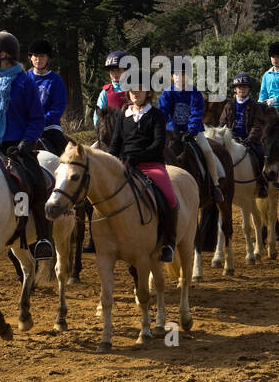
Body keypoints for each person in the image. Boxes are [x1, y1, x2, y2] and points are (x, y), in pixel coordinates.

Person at [0, 30, 55, 261]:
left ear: (4, 54)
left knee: (38, 182)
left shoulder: (25, 84)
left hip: (17, 148)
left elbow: (37, 118)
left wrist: (26, 143)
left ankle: (44, 238)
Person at [107, 86, 178, 263]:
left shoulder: (156, 115)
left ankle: (168, 243)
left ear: (149, 93)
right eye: (132, 90)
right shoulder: (123, 115)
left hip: (151, 165)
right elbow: (115, 144)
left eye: (140, 89)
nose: (135, 93)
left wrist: (136, 157)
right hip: (125, 165)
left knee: (169, 198)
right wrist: (109, 161)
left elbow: (158, 144)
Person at [158, 62, 224, 204]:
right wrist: (170, 130)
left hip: (193, 132)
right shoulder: (167, 93)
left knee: (207, 151)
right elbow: (164, 114)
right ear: (172, 77)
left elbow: (196, 113)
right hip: (173, 132)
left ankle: (215, 184)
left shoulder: (194, 92)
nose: (180, 78)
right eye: (177, 75)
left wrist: (191, 130)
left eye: (183, 75)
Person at [218, 72, 268, 197]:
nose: (242, 89)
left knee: (261, 155)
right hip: (231, 140)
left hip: (249, 141)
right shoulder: (228, 105)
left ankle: (262, 185)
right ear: (235, 89)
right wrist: (227, 138)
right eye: (239, 87)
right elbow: (222, 123)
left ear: (249, 89)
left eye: (245, 87)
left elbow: (258, 125)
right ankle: (217, 184)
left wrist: (250, 139)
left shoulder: (255, 106)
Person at [27, 38, 68, 157]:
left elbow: (58, 107)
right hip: (27, 126)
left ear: (48, 58)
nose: (38, 59)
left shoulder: (56, 80)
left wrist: (41, 120)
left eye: (42, 56)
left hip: (49, 127)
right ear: (30, 57)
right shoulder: (25, 78)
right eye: (35, 56)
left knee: (66, 156)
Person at [93, 50, 129, 125]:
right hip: (111, 132)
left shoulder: (133, 89)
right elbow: (98, 115)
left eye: (118, 70)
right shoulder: (105, 93)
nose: (115, 74)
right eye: (112, 71)